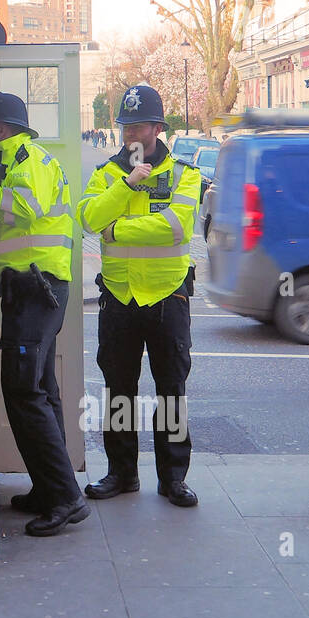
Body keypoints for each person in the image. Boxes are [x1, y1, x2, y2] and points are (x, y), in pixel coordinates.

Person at [76, 84, 202, 508]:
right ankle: (122, 474)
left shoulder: (185, 173)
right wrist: (127, 186)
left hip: (168, 296)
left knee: (171, 390)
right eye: (126, 126)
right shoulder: (107, 173)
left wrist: (117, 230)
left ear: (157, 127)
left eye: (139, 126)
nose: (131, 134)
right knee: (119, 391)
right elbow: (90, 219)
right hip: (118, 295)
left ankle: (173, 478)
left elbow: (176, 227)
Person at [0, 92, 88, 537]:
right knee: (40, 389)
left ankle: (65, 497)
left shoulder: (27, 158)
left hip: (36, 288)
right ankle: (50, 488)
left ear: (0, 129)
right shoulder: (14, 160)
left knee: (24, 391)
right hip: (32, 288)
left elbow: (22, 209)